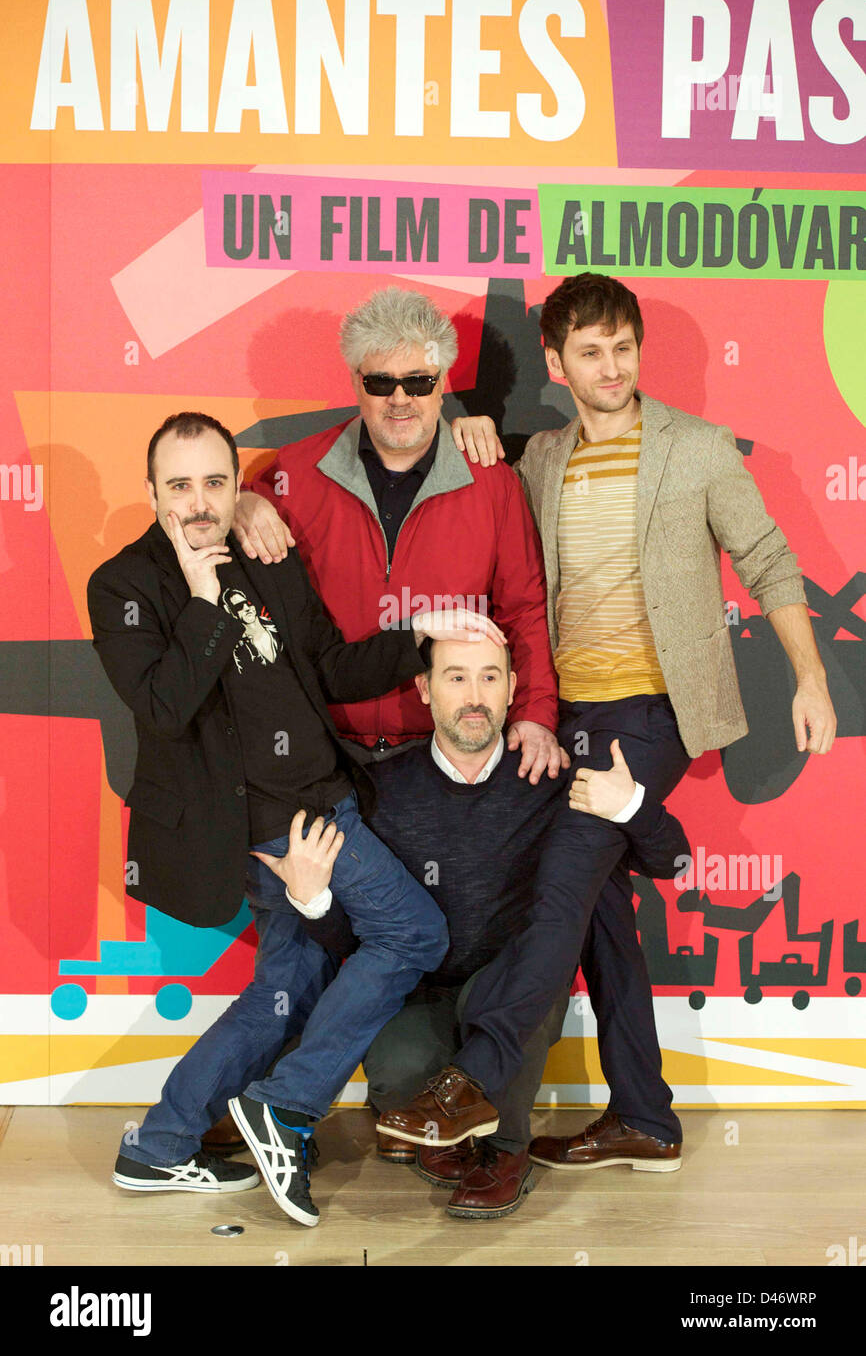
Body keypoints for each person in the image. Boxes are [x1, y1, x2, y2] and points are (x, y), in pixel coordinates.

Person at [377, 272, 837, 1165]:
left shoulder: (697, 449)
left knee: (561, 878)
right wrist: (471, 423)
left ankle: (475, 1078)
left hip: (652, 707)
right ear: (556, 361)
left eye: (624, 348)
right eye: (591, 352)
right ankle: (646, 1116)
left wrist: (809, 680)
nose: (612, 367)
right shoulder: (542, 458)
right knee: (600, 916)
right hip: (567, 712)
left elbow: (772, 561)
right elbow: (454, 466)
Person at [87, 411, 506, 1227]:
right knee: (413, 933)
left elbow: (328, 668)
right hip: (276, 824)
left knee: (288, 983)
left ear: (236, 480)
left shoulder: (263, 554)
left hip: (326, 794)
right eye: (180, 487)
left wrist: (418, 636)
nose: (200, 503)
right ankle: (286, 1108)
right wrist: (205, 597)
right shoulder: (125, 585)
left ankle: (161, 1143)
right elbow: (165, 707)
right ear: (150, 493)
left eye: (216, 482)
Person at [261, 632, 691, 1219]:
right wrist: (313, 900)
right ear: (424, 688)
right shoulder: (380, 788)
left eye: (490, 677)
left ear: (514, 689)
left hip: (513, 989)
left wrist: (631, 804)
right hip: (421, 993)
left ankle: (506, 1152)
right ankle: (448, 1126)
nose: (474, 696)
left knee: (524, 988)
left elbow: (673, 861)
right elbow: (352, 943)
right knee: (397, 1072)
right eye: (455, 677)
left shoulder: (552, 776)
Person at [231, 285, 564, 783]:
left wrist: (535, 714)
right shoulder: (293, 474)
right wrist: (240, 501)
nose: (401, 399)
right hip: (322, 750)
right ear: (355, 380)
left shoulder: (493, 481)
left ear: (443, 380)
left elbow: (523, 609)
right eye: (381, 382)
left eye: (420, 382)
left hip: (447, 753)